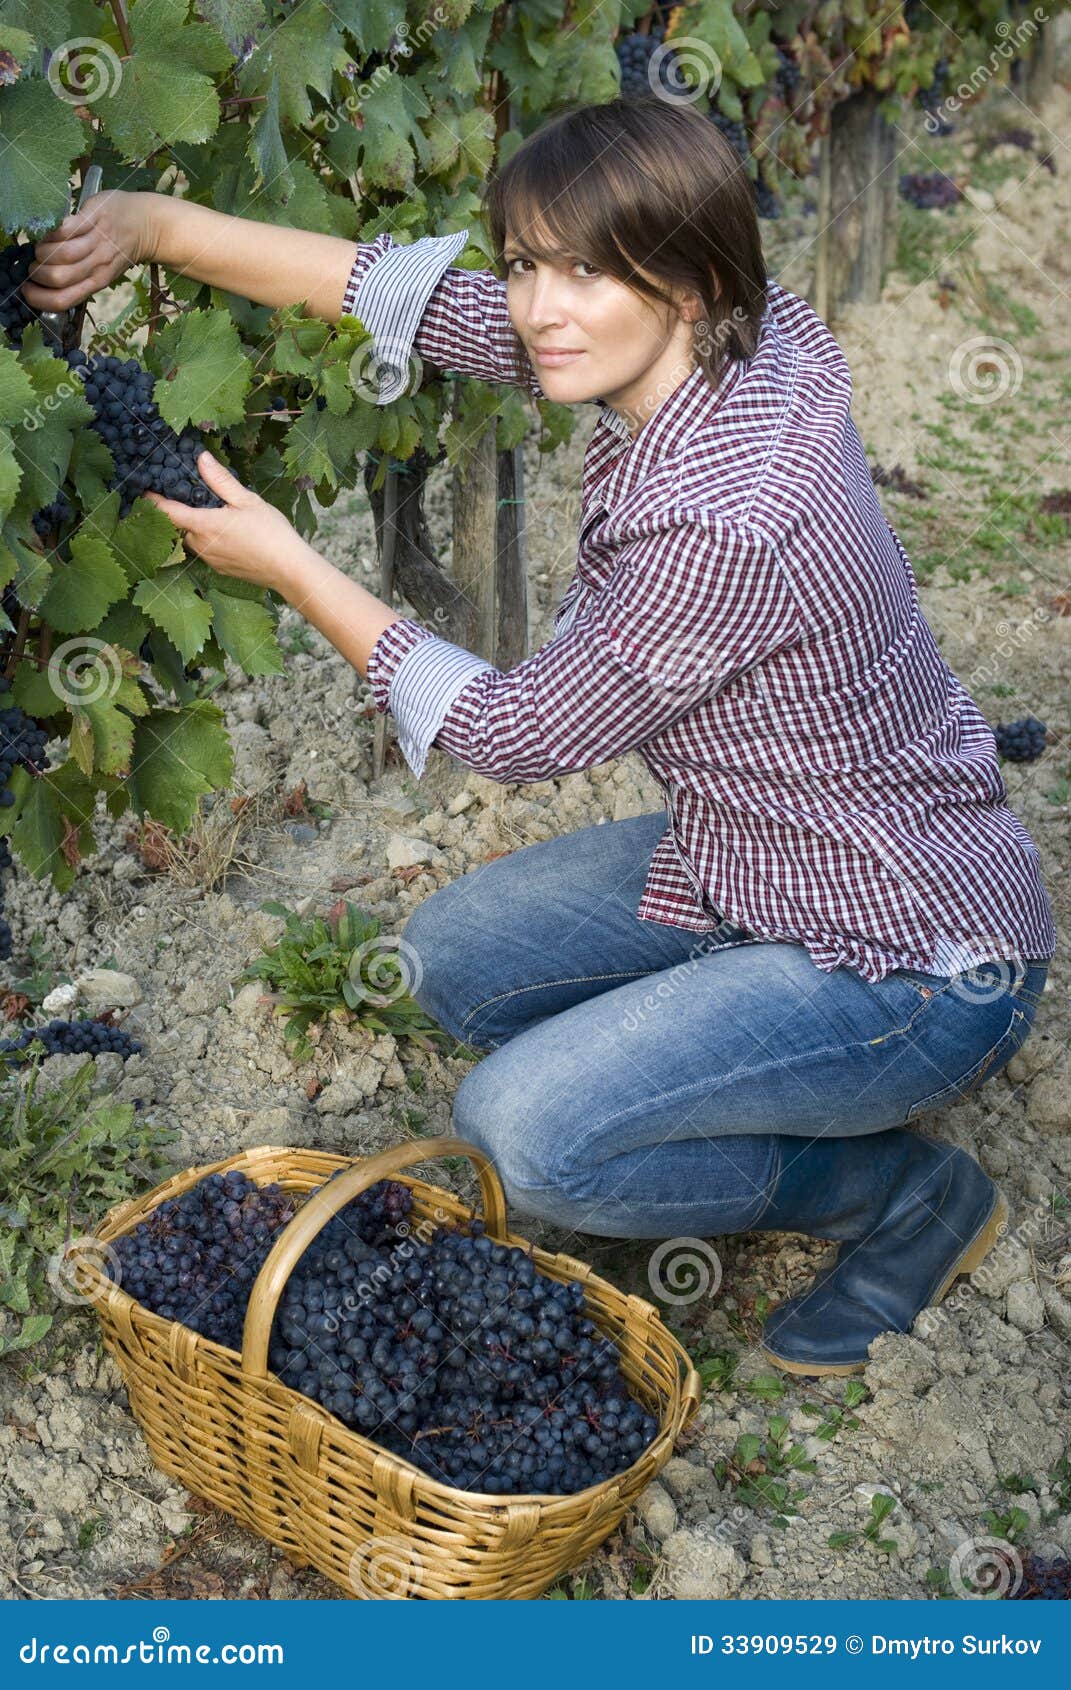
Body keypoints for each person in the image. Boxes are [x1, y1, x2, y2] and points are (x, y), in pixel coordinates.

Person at [25, 96, 1054, 1377]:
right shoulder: (741, 335)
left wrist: (291, 566)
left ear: (688, 282)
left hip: (911, 963)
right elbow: (414, 302)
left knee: (519, 1136)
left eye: (583, 272)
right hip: (759, 857)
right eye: (525, 264)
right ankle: (716, 1046)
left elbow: (514, 731)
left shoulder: (724, 521)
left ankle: (900, 1192)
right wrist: (155, 227)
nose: (539, 307)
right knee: (451, 964)